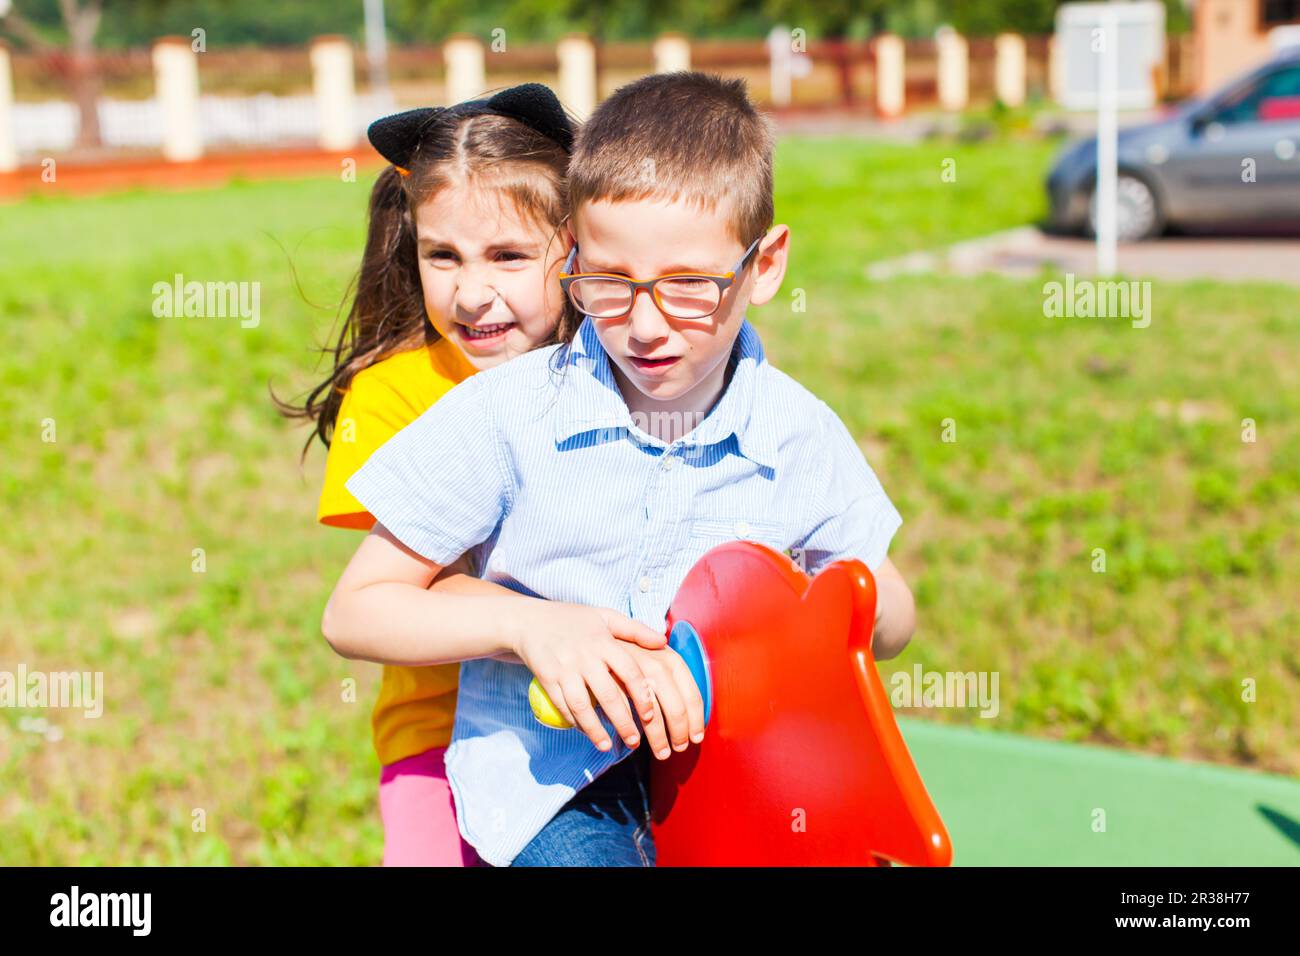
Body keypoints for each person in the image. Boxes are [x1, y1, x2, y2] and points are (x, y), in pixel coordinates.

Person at [323, 72, 917, 867]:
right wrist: (534, 625)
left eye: (688, 287)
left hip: (727, 774)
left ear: (766, 265)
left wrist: (826, 617)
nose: (643, 324)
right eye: (607, 282)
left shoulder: (796, 431)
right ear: (577, 255)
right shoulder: (500, 413)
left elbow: (887, 615)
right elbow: (357, 611)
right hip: (550, 788)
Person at [285, 83, 579, 865]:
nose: (471, 292)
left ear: (576, 247)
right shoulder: (389, 395)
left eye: (510, 256)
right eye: (442, 255)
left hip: (608, 738)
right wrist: (545, 625)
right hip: (440, 742)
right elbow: (397, 594)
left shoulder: (618, 373)